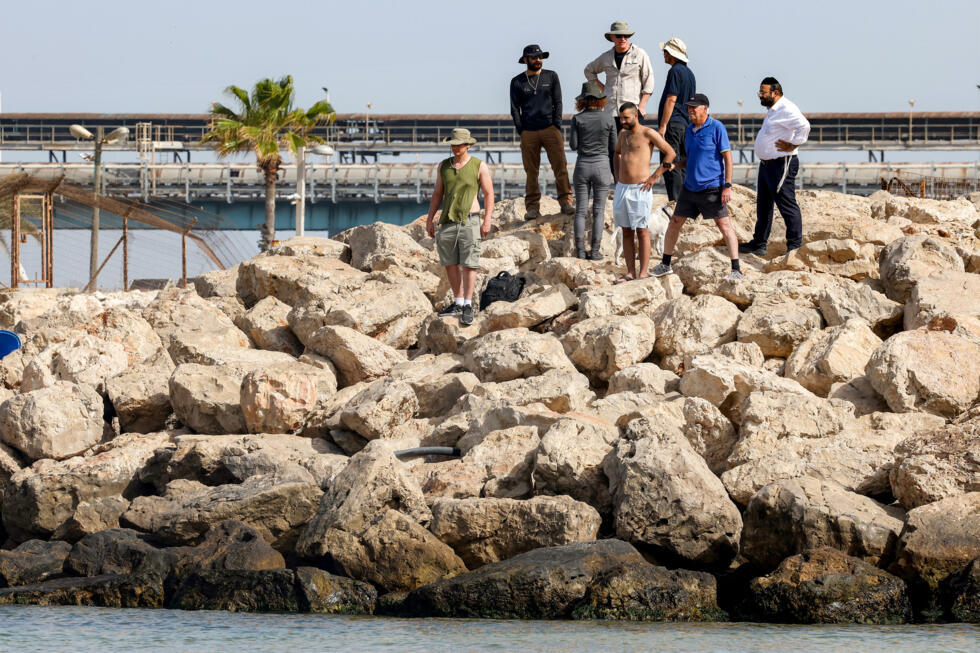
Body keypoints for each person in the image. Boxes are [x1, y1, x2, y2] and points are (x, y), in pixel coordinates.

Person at [651, 94, 743, 281]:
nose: (690, 110)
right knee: (675, 222)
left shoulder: (717, 127)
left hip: (712, 187)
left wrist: (728, 185)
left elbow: (728, 158)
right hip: (689, 188)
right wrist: (676, 166)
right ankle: (666, 264)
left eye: (695, 107)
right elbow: (689, 159)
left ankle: (736, 269)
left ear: (705, 109)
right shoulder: (689, 131)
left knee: (724, 225)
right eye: (689, 107)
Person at [425, 128, 495, 326]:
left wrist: (487, 219)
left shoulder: (479, 166)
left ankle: (467, 304)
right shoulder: (443, 166)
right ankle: (457, 301)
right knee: (449, 263)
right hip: (447, 220)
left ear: (468, 145)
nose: (455, 147)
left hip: (470, 220)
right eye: (453, 144)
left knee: (469, 264)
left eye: (459, 144)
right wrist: (430, 219)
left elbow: (489, 194)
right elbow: (437, 194)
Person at [739, 76, 811, 256]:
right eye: (760, 92)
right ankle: (759, 243)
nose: (760, 96)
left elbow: (804, 125)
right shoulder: (773, 109)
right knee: (763, 205)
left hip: (781, 163)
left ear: (775, 92)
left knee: (786, 204)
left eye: (763, 92)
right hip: (766, 165)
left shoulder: (787, 108)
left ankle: (794, 247)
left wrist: (794, 144)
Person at [612, 102, 675, 282]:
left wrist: (655, 177)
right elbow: (616, 153)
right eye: (621, 118)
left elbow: (670, 153)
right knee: (626, 231)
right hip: (622, 188)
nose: (623, 121)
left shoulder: (648, 133)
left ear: (636, 116)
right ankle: (630, 272)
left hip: (641, 188)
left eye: (626, 118)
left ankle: (643, 272)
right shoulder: (622, 134)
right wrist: (617, 175)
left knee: (642, 231)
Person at [510, 44, 573, 220]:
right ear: (525, 60)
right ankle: (532, 208)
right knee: (531, 171)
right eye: (534, 57)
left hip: (550, 129)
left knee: (560, 167)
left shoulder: (551, 76)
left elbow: (558, 102)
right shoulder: (517, 82)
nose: (538, 60)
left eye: (540, 57)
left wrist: (557, 125)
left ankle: (566, 202)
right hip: (528, 132)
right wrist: (521, 131)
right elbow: (515, 109)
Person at [569, 80, 617, 260]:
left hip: (582, 165)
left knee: (580, 211)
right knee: (599, 211)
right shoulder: (608, 118)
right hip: (602, 166)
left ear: (583, 100)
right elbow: (614, 146)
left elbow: (573, 145)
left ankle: (580, 251)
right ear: (600, 99)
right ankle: (595, 252)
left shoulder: (577, 119)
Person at [584, 21, 654, 132]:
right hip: (610, 112)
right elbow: (589, 70)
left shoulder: (640, 54)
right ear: (612, 37)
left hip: (632, 111)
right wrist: (604, 89)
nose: (623, 38)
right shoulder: (605, 57)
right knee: (613, 148)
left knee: (633, 146)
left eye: (625, 36)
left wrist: (642, 106)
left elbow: (649, 81)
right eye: (619, 36)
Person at [655, 37, 696, 202]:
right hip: (686, 123)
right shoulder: (690, 74)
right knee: (682, 163)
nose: (664, 55)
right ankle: (685, 200)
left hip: (674, 122)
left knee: (670, 160)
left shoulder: (674, 71)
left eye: (665, 52)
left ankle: (675, 201)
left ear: (672, 54)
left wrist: (663, 125)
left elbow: (671, 99)